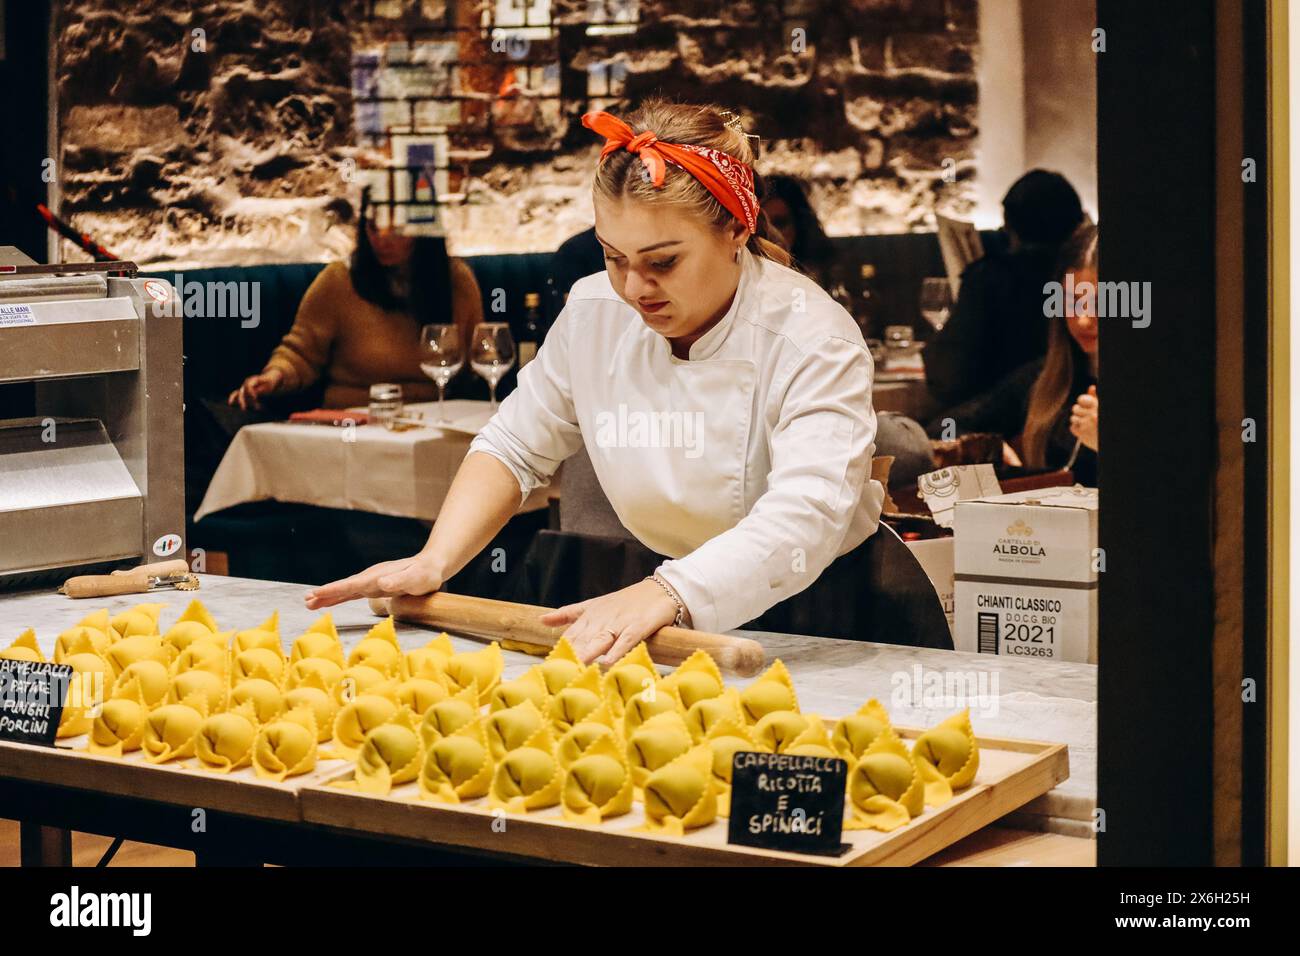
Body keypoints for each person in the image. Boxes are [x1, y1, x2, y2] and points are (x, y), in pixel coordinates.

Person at [304, 99, 889, 662]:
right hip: (646, 595)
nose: (634, 288)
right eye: (614, 258)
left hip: (812, 607)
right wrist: (435, 559)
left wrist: (672, 593)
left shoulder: (813, 337)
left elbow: (807, 512)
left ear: (736, 230)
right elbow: (513, 446)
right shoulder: (591, 311)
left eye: (663, 262)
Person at [228, 188, 484, 410]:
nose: (382, 239)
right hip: (355, 425)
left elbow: (477, 361)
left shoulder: (456, 281)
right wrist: (274, 377)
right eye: (373, 226)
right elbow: (300, 354)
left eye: (396, 229)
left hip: (435, 421)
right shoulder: (339, 280)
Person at [926, 223, 1099, 485]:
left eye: (1098, 303)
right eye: (1073, 302)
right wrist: (988, 447)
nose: (1084, 321)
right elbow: (945, 425)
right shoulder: (1042, 378)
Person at [924, 170, 1085, 415]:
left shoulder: (990, 279)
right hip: (1071, 409)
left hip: (1002, 421)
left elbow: (948, 378)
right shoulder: (1086, 276)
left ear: (1011, 226)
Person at [760, 174, 836, 287]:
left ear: (799, 226)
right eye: (762, 225)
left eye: (780, 224)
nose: (772, 234)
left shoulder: (816, 282)